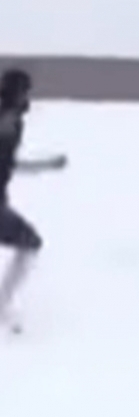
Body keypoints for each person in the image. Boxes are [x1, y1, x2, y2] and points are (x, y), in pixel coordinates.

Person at [0, 68, 68, 332]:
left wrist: (45, 165)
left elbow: (8, 164)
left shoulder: (14, 124)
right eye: (23, 93)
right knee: (30, 243)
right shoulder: (8, 123)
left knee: (30, 243)